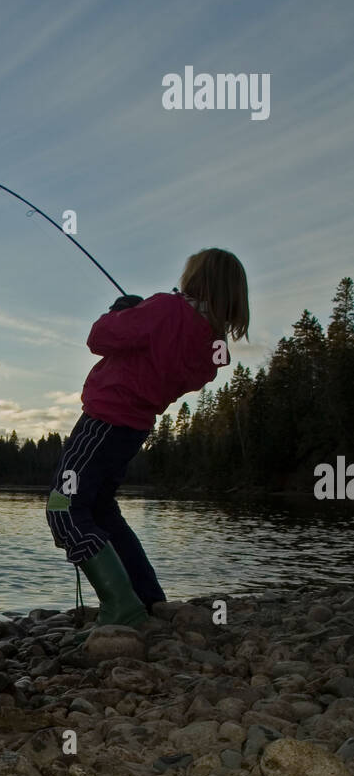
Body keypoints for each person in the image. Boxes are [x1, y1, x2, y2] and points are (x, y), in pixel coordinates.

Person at [46, 247, 250, 633]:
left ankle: (121, 604)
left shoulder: (166, 309)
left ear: (197, 279)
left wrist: (120, 312)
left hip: (102, 422)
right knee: (102, 510)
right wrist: (139, 319)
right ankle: (148, 598)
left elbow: (99, 337)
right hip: (132, 429)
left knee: (63, 507)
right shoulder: (212, 346)